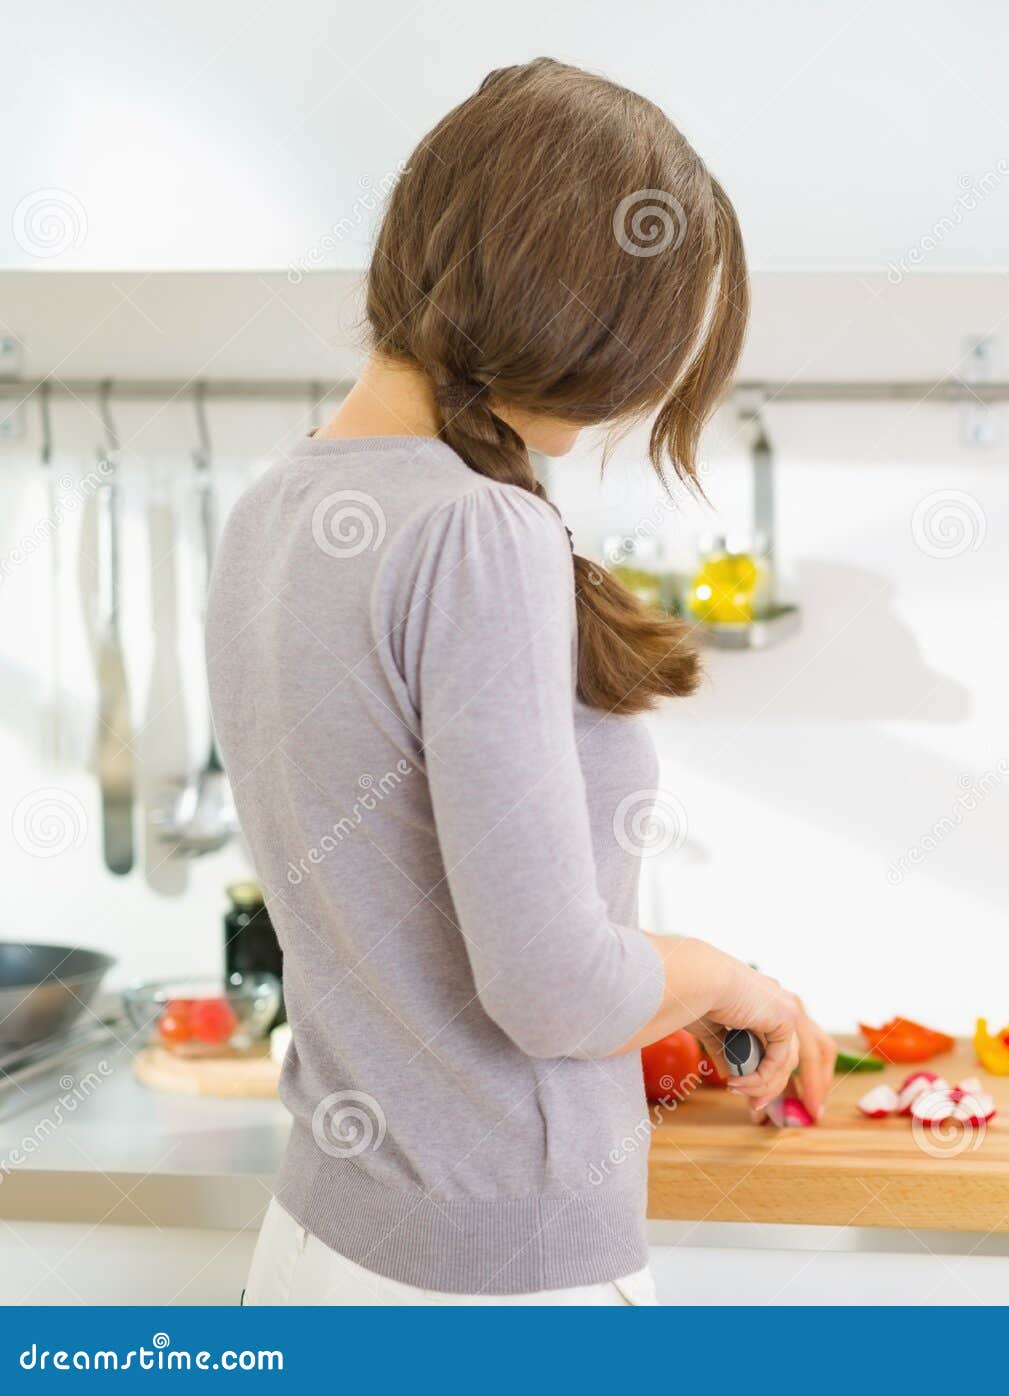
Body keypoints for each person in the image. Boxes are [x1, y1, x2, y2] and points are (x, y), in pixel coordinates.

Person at [207, 59, 835, 1306]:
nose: (642, 392)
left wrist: (661, 994)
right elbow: (550, 986)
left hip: (320, 1249)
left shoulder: (273, 507)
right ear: (579, 312)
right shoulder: (476, 531)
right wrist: (724, 975)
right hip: (490, 1288)